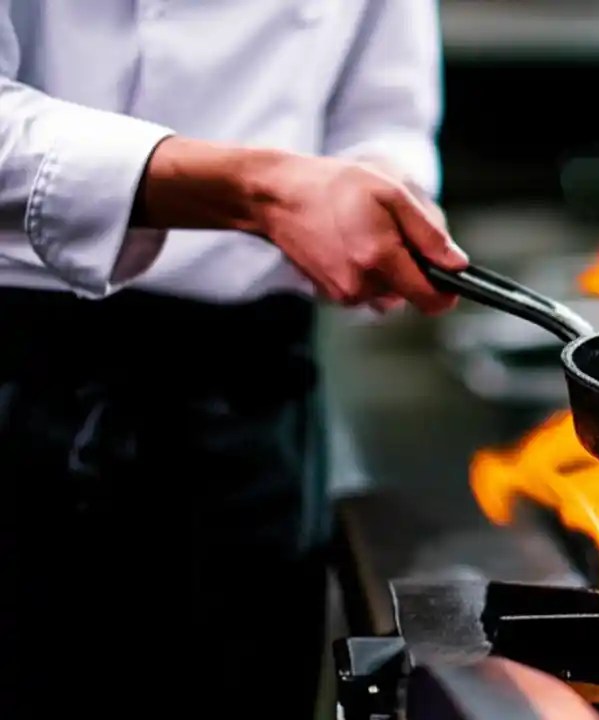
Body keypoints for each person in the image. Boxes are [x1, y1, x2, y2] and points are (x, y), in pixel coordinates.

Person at [0, 2, 463, 717]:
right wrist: (258, 188)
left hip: (250, 393)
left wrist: (375, 190)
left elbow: (384, 112)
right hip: (25, 370)